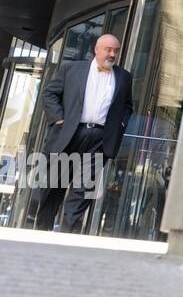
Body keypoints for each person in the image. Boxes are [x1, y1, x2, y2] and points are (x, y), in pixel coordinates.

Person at [35, 34, 134, 233]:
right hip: (70, 134)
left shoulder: (124, 77)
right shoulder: (72, 69)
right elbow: (49, 93)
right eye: (108, 49)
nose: (112, 54)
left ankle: (67, 235)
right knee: (55, 186)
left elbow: (127, 106)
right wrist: (59, 119)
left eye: (116, 50)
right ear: (96, 49)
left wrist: (120, 124)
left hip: (100, 139)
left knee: (82, 190)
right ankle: (41, 233)